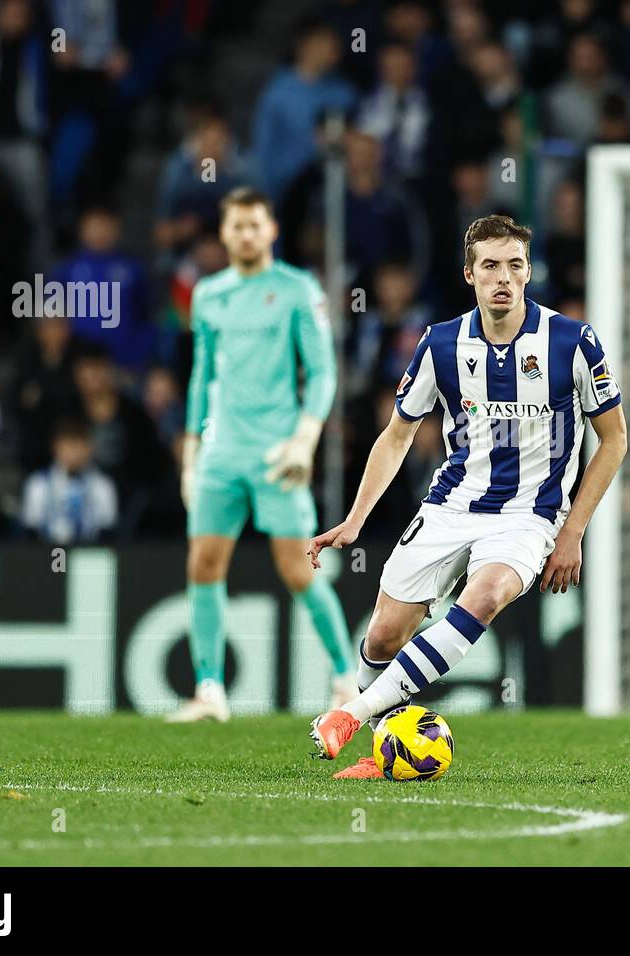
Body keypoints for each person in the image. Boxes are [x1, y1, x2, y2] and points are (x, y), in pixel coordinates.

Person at [307, 214, 628, 779]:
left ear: (529, 273)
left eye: (514, 266)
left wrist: (572, 531)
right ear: (469, 274)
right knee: (383, 633)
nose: (503, 278)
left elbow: (615, 439)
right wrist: (356, 519)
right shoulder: (439, 344)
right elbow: (398, 433)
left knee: (485, 595)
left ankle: (349, 715)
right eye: (490, 267)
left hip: (530, 517)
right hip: (450, 506)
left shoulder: (573, 342)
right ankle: (388, 754)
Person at [169, 187, 354, 723]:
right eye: (236, 226)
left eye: (255, 225)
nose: (246, 234)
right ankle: (209, 690)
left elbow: (322, 371)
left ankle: (346, 680)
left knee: (298, 570)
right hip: (221, 451)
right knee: (203, 565)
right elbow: (203, 374)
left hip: (277, 452)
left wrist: (305, 438)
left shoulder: (299, 289)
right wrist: (191, 451)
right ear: (223, 234)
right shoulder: (209, 294)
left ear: (271, 230)